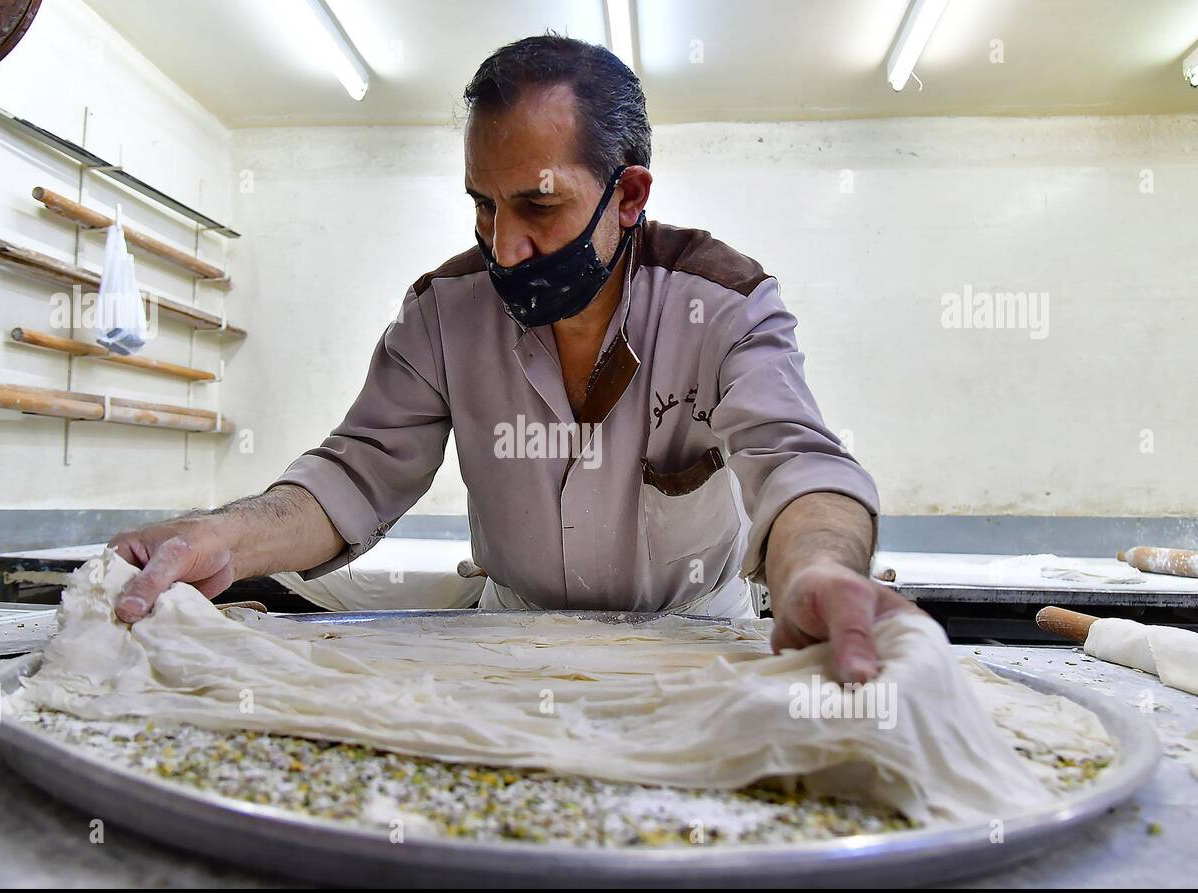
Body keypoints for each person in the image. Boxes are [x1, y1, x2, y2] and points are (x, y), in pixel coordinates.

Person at [111, 35, 917, 683]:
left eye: (537, 205)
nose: (504, 246)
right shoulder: (443, 314)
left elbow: (799, 464)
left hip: (694, 646)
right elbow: (355, 477)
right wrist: (224, 534)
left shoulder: (722, 303)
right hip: (504, 647)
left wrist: (812, 572)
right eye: (482, 206)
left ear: (629, 196)